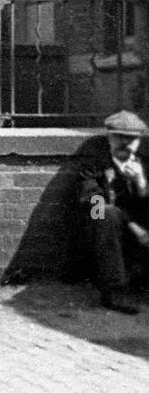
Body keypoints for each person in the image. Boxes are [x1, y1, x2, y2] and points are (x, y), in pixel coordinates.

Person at [74, 109, 149, 314]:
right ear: (109, 138)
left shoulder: (144, 165)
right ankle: (115, 291)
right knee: (104, 212)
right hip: (105, 236)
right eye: (119, 138)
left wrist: (142, 184)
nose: (125, 143)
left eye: (131, 139)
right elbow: (91, 200)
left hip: (142, 235)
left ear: (139, 141)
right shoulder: (95, 164)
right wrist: (133, 226)